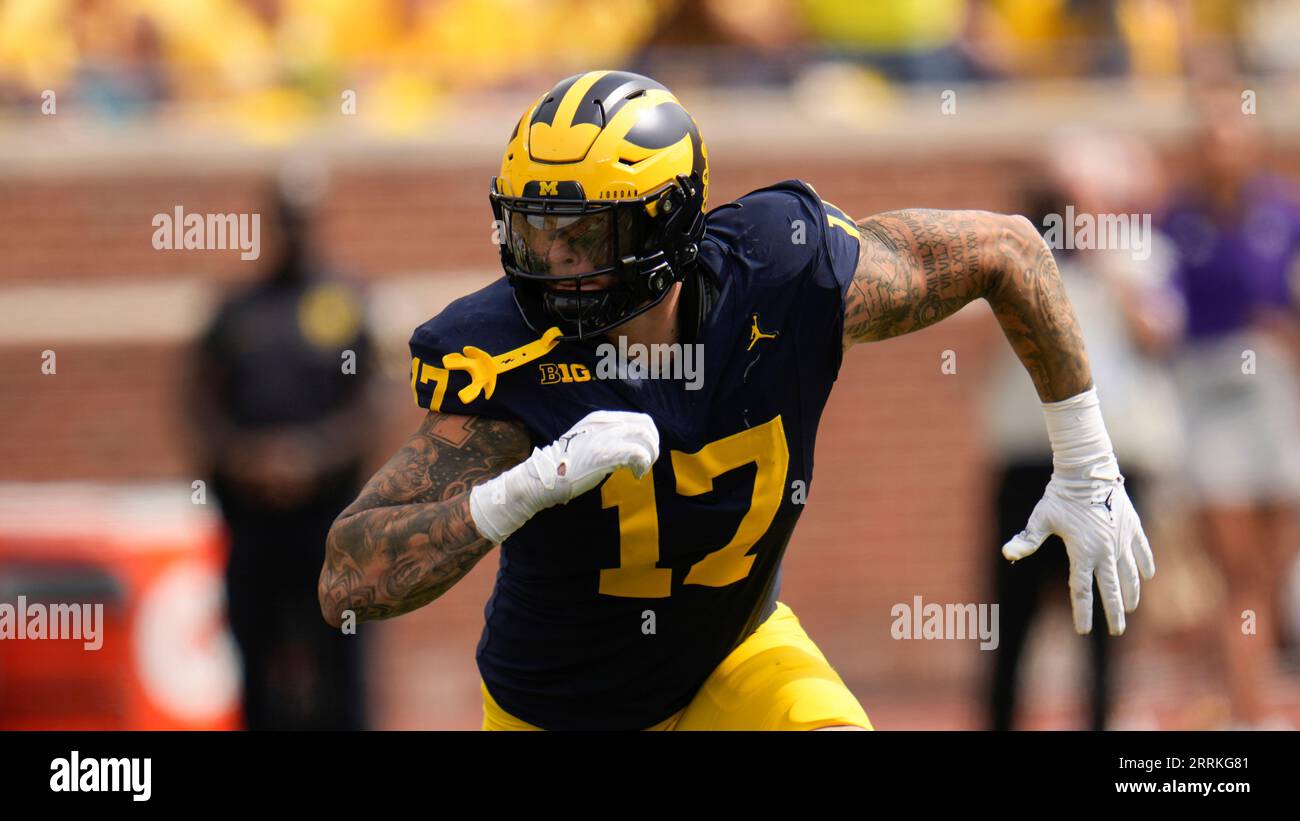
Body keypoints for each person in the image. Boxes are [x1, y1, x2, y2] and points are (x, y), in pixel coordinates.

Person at [318, 70, 1154, 731]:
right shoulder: (512, 356)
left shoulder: (780, 276)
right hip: (559, 711)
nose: (553, 262)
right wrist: (516, 492)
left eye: (583, 236)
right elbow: (347, 575)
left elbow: (1007, 249)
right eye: (536, 231)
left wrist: (1085, 460)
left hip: (736, 658)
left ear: (665, 226)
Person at [983, 135, 1182, 730]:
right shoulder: (1021, 259)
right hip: (1028, 456)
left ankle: (1100, 722)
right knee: (1011, 614)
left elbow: (1158, 333)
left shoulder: (1143, 254)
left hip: (1111, 465)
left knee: (1104, 613)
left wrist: (1102, 253)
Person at [191, 171, 377, 730]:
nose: (294, 231)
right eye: (285, 218)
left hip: (332, 526)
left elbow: (374, 401)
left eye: (303, 218)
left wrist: (314, 455)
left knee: (340, 667)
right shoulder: (238, 309)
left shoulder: (348, 303)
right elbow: (200, 402)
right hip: (254, 524)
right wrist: (245, 458)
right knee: (256, 659)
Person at [1160, 95, 1300, 729]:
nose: (1223, 151)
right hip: (1208, 395)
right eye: (1211, 139)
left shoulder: (1285, 215)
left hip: (1272, 394)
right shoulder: (1176, 224)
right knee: (1235, 567)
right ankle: (1249, 713)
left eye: (1233, 138)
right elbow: (1157, 314)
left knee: (1272, 569)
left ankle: (1236, 695)